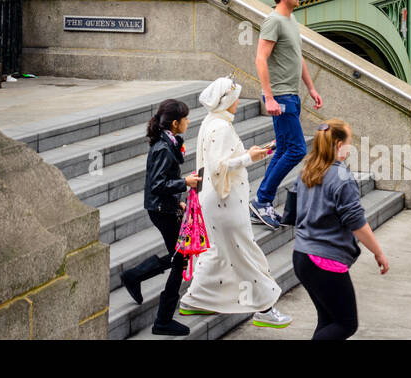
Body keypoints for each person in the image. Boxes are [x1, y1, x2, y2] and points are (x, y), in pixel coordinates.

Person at [178, 77, 292, 329]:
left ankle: (193, 299)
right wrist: (248, 158)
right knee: (244, 253)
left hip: (218, 200)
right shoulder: (221, 127)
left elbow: (219, 160)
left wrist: (247, 154)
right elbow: (220, 166)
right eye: (235, 97)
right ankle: (265, 308)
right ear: (227, 100)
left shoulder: (213, 122)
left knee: (219, 252)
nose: (238, 101)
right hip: (225, 202)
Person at [292, 118, 389, 340]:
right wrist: (378, 252)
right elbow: (357, 223)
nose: (350, 147)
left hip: (302, 256)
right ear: (338, 145)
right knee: (346, 324)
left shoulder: (306, 171)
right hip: (324, 260)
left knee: (328, 320)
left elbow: (292, 213)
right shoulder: (342, 178)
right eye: (349, 142)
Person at [119, 99, 201, 336]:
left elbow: (164, 182)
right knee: (180, 259)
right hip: (161, 211)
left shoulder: (169, 141)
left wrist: (178, 199)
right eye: (185, 119)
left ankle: (134, 275)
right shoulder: (164, 148)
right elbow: (158, 184)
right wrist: (184, 183)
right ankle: (163, 320)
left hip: (166, 207)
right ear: (175, 123)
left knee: (179, 255)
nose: (188, 122)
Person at [251, 0, 323, 229]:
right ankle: (262, 200)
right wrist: (268, 96)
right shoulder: (273, 22)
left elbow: (297, 56)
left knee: (284, 149)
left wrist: (311, 87)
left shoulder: (290, 20)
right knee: (296, 149)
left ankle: (261, 201)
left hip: (291, 94)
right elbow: (261, 59)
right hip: (280, 96)